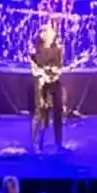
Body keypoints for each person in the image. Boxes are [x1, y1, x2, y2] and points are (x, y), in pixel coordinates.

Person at [30, 25, 66, 153]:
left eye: (51, 32)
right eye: (46, 32)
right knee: (41, 113)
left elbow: (60, 65)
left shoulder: (59, 48)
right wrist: (42, 75)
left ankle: (59, 144)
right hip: (41, 82)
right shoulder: (35, 50)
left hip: (55, 81)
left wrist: (55, 72)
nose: (50, 34)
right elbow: (34, 67)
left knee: (58, 112)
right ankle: (36, 145)